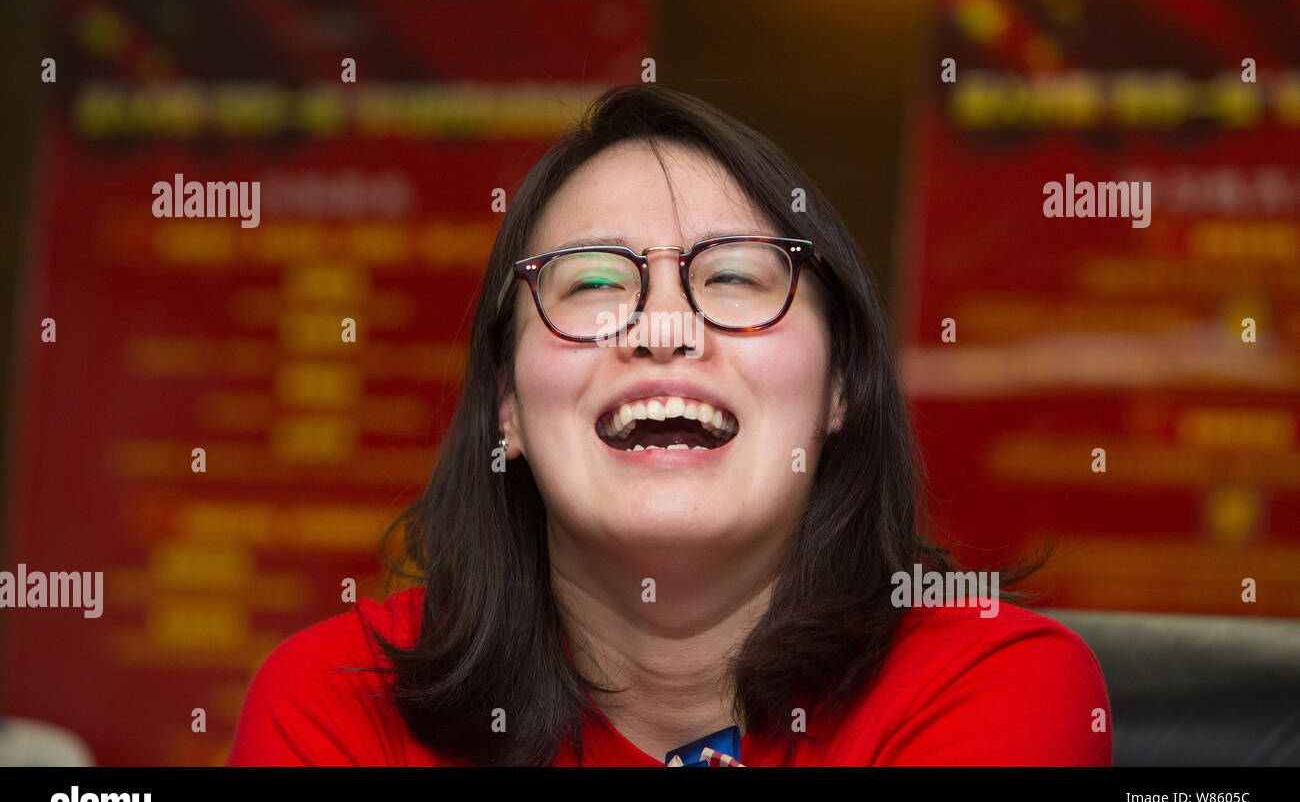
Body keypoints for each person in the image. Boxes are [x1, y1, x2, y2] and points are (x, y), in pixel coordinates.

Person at [228, 84, 1111, 766]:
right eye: (595, 285)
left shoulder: (993, 683)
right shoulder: (342, 702)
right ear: (507, 407)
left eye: (732, 278)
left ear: (840, 389)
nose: (662, 328)